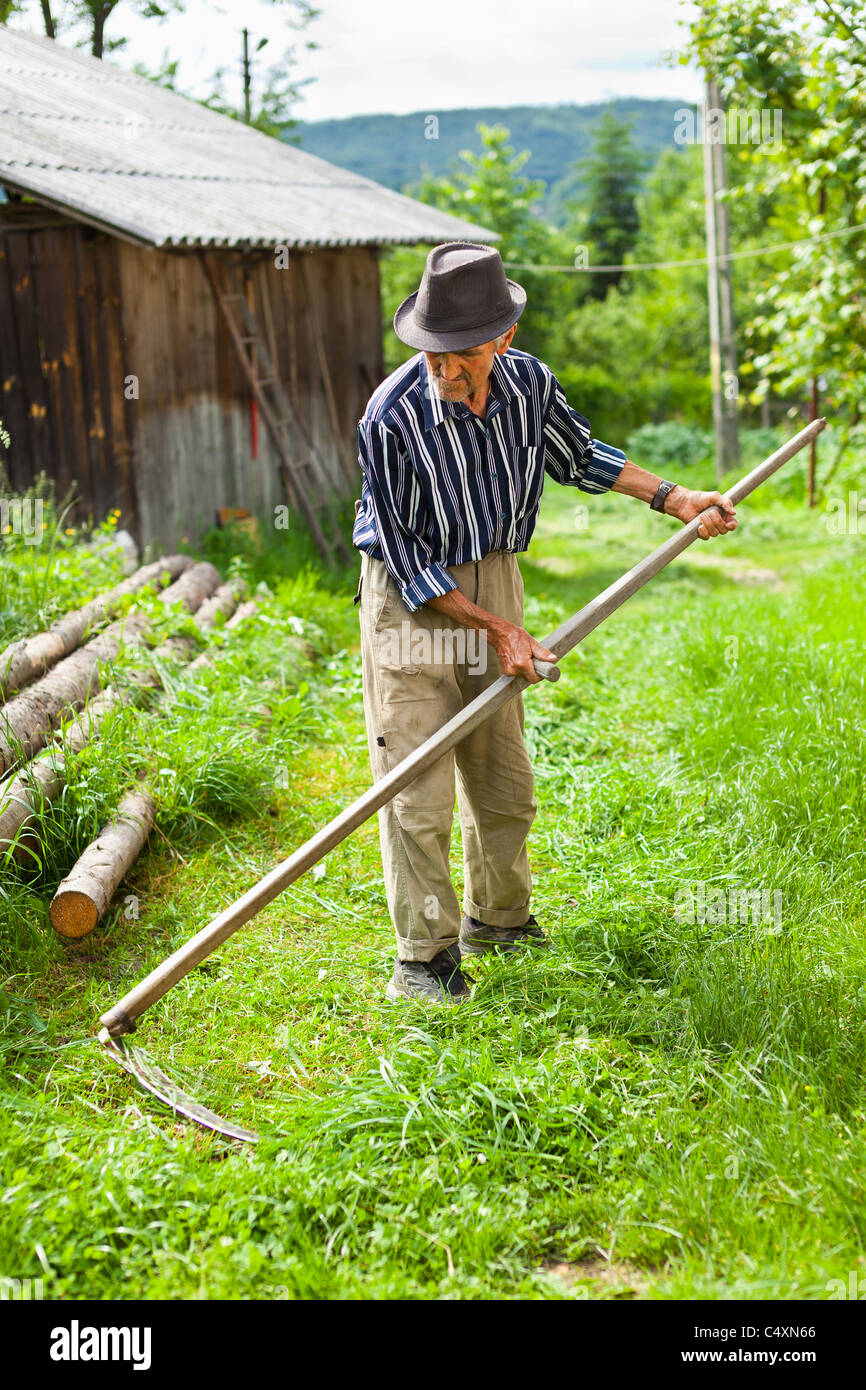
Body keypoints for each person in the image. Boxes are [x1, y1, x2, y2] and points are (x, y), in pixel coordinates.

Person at [352, 242, 737, 1004]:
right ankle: (423, 958)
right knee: (416, 787)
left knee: (503, 778)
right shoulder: (388, 419)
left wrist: (677, 498)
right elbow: (405, 555)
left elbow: (582, 457)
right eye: (432, 349)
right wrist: (496, 631)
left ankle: (498, 918)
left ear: (502, 342)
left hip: (494, 573)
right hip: (410, 597)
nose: (443, 366)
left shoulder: (529, 387)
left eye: (460, 351)